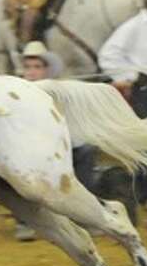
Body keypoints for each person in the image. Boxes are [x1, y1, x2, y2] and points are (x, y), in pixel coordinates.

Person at [16, 41, 98, 241]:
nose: (32, 72)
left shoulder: (58, 91)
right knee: (20, 162)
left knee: (86, 150)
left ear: (46, 70)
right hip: (25, 149)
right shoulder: (14, 91)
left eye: (37, 67)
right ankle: (24, 221)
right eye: (28, 67)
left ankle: (84, 215)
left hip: (57, 145)